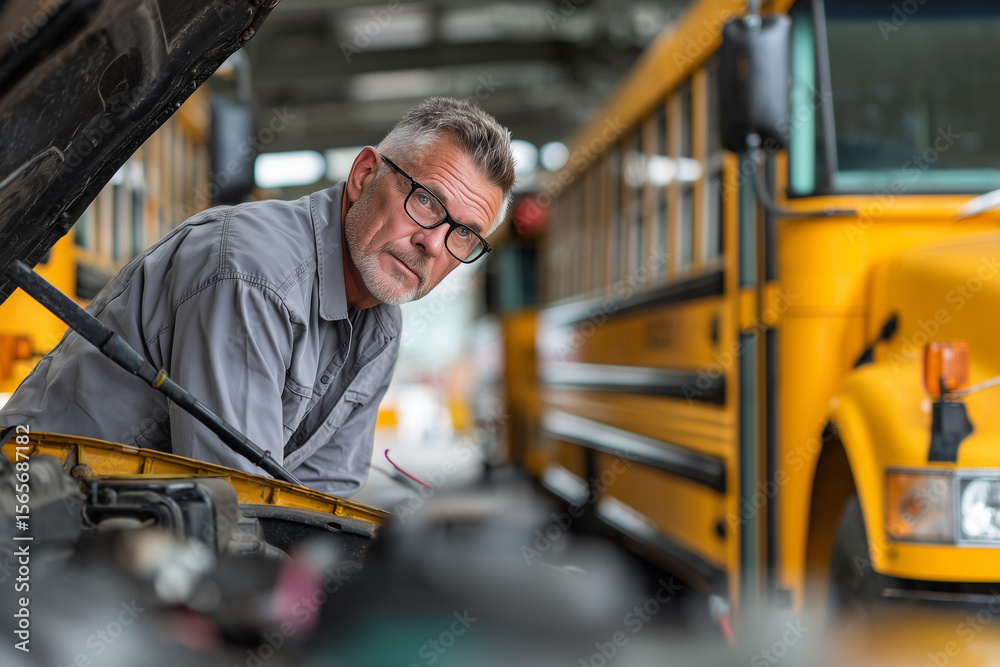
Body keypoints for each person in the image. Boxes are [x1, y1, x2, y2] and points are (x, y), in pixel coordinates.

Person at [0, 97, 516, 497]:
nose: (433, 243)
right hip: (36, 518)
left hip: (138, 534)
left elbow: (320, 498)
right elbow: (234, 495)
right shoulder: (252, 271)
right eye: (425, 201)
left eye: (464, 233)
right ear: (364, 176)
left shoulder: (380, 326)